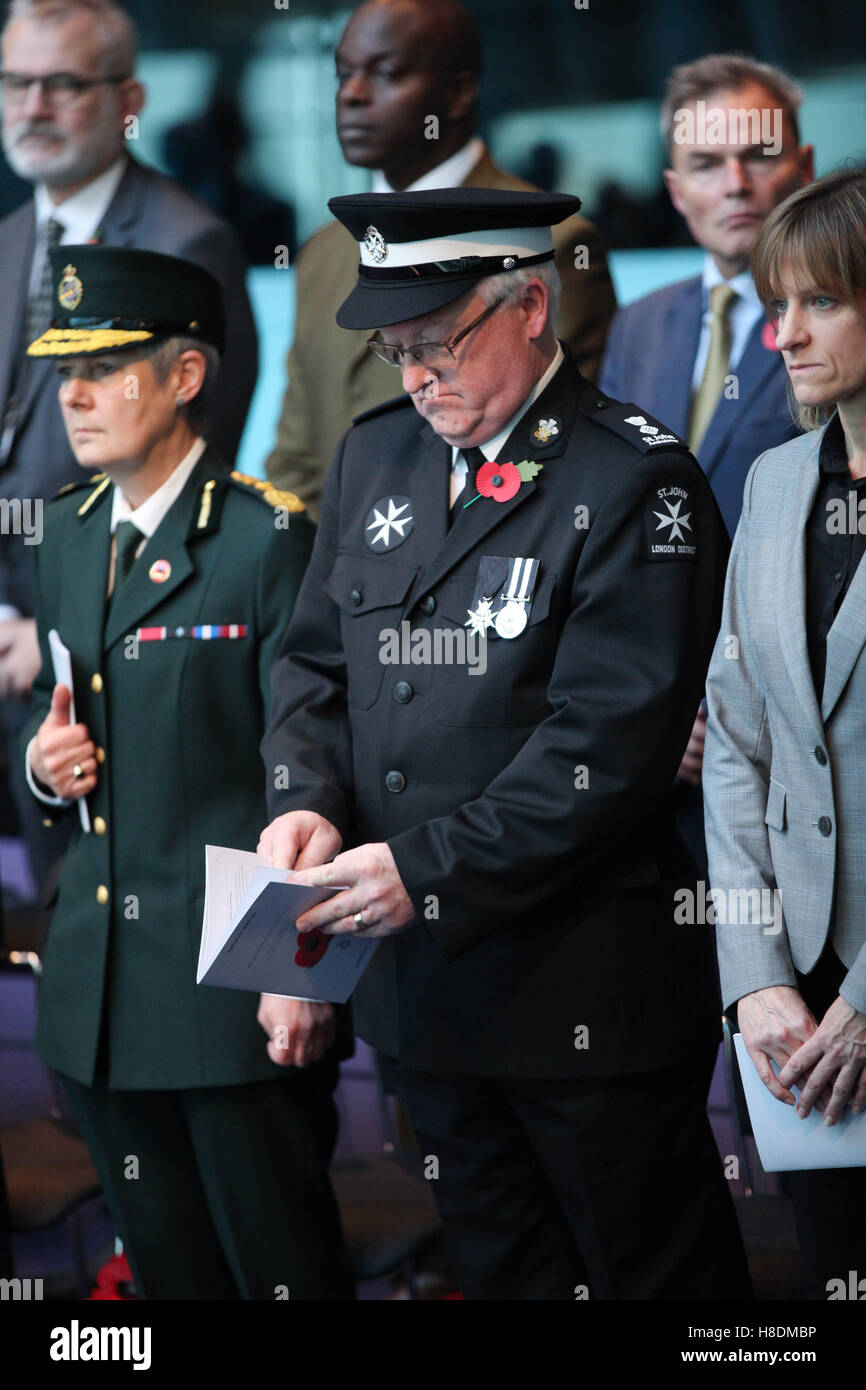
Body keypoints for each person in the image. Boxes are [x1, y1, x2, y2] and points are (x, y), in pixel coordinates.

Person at [258, 186, 752, 1300]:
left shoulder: (633, 479)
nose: (415, 378)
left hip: (584, 989)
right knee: (501, 1275)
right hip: (425, 992)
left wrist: (421, 870)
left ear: (530, 305)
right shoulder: (374, 457)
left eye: (438, 343)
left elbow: (606, 752)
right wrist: (307, 799)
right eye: (393, 351)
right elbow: (315, 668)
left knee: (655, 1281)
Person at [21, 245, 352, 1300]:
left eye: (105, 368)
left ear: (186, 375)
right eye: (64, 371)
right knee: (165, 1285)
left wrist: (296, 969)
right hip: (97, 994)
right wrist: (40, 765)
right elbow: (55, 707)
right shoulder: (65, 536)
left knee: (281, 1274)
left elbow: (316, 767)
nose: (74, 394)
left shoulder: (267, 538)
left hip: (230, 994)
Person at [0, 0, 258, 886]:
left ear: (129, 100)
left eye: (61, 84)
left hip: (101, 659)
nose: (32, 106)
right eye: (15, 83)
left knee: (97, 912)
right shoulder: (7, 242)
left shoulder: (190, 241)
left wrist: (52, 630)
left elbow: (184, 480)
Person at [703, 166, 866, 1301]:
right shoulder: (772, 484)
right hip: (799, 998)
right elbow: (734, 744)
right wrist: (755, 975)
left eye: (823, 301)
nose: (786, 334)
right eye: (777, 304)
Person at [263, 0, 617, 520]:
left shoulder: (549, 242)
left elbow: (555, 446)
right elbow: (296, 458)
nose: (352, 94)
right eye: (343, 74)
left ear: (457, 93)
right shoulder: (323, 251)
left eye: (387, 73)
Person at [600, 54, 814, 869]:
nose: (736, 184)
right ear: (675, 189)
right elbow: (610, 530)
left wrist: (725, 707)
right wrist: (652, 709)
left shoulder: (842, 330)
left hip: (793, 733)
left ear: (805, 166)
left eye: (759, 155)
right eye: (706, 164)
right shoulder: (639, 324)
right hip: (650, 750)